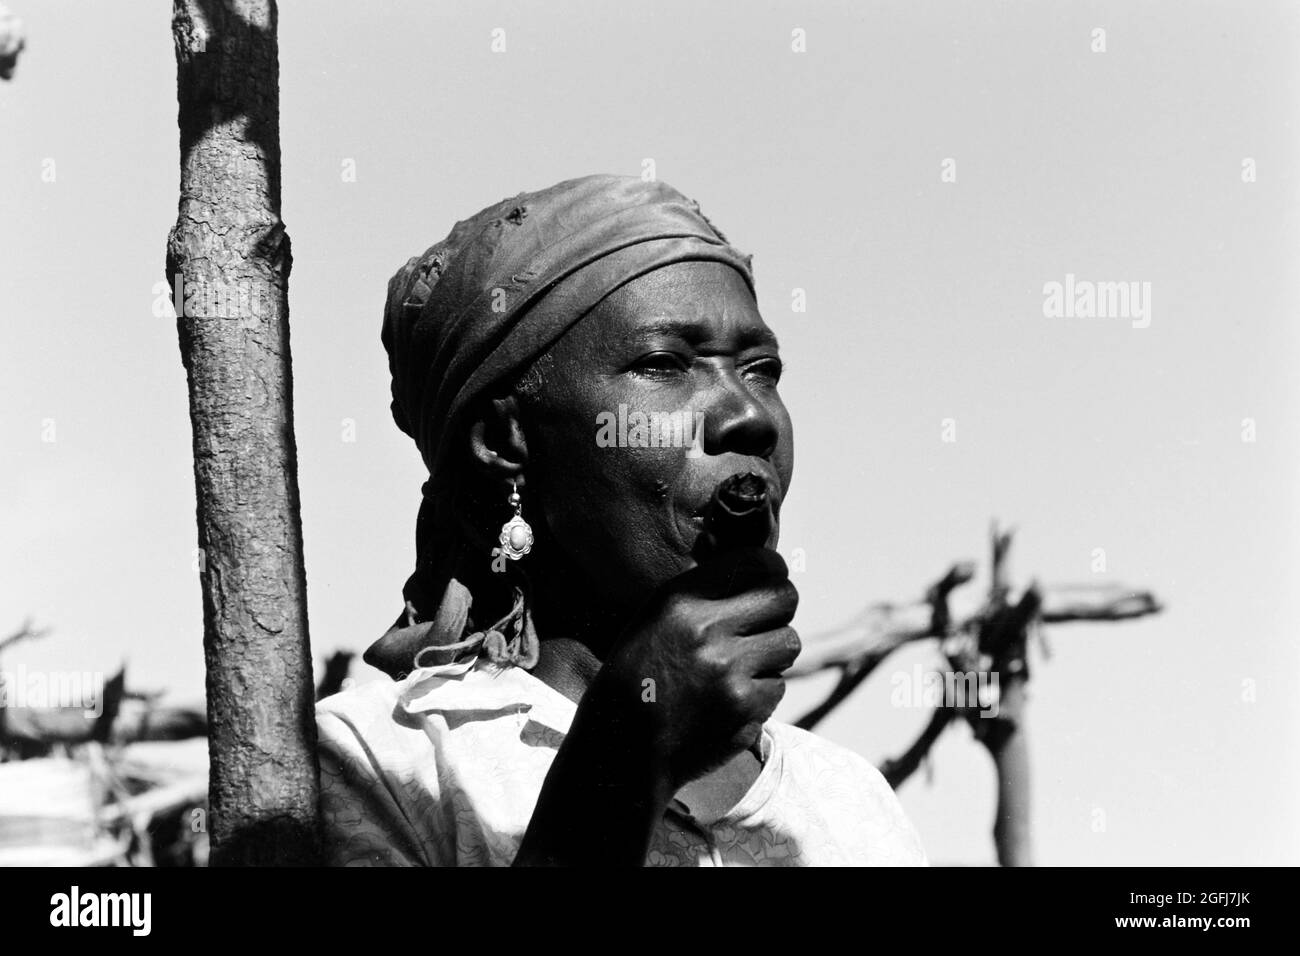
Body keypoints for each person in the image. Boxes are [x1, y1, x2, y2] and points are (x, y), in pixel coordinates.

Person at [316, 174, 928, 866]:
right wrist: (622, 759)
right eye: (665, 364)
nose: (750, 416)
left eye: (760, 369)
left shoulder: (849, 802)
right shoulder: (378, 763)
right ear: (505, 441)